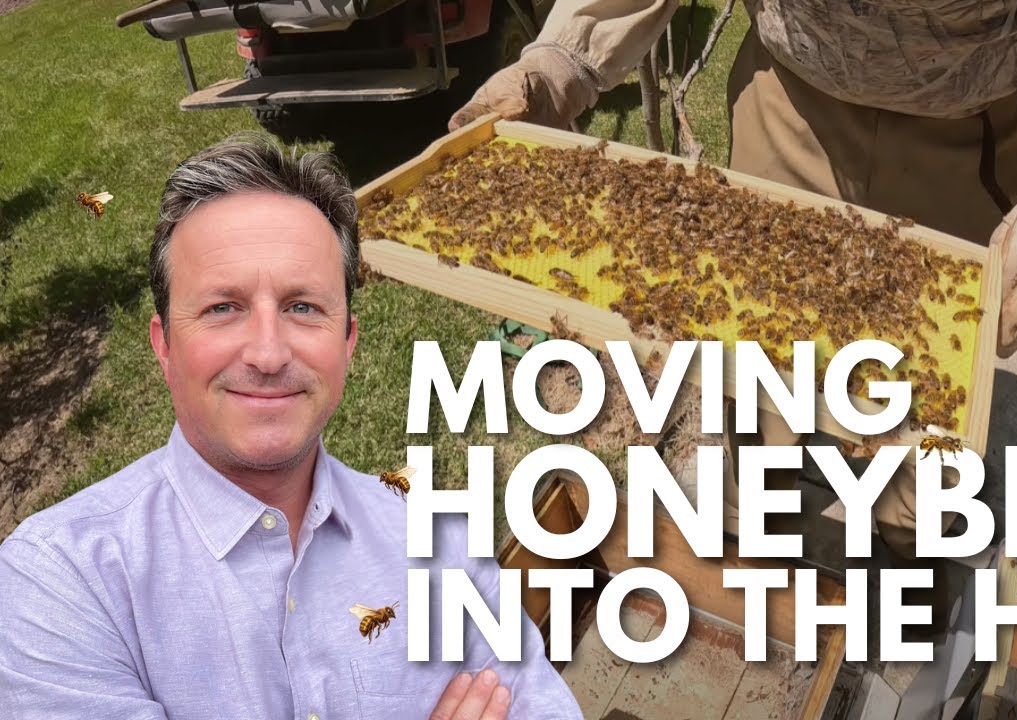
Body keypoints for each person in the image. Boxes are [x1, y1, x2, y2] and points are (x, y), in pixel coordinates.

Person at [449, 0, 1017, 559]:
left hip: (966, 137)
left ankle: (906, 555)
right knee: (757, 369)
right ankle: (753, 532)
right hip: (785, 104)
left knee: (927, 413)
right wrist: (563, 59)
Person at [0, 135, 582, 720]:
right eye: (222, 307)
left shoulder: (440, 537)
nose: (268, 353)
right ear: (165, 346)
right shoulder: (60, 581)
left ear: (347, 344)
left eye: (303, 307)